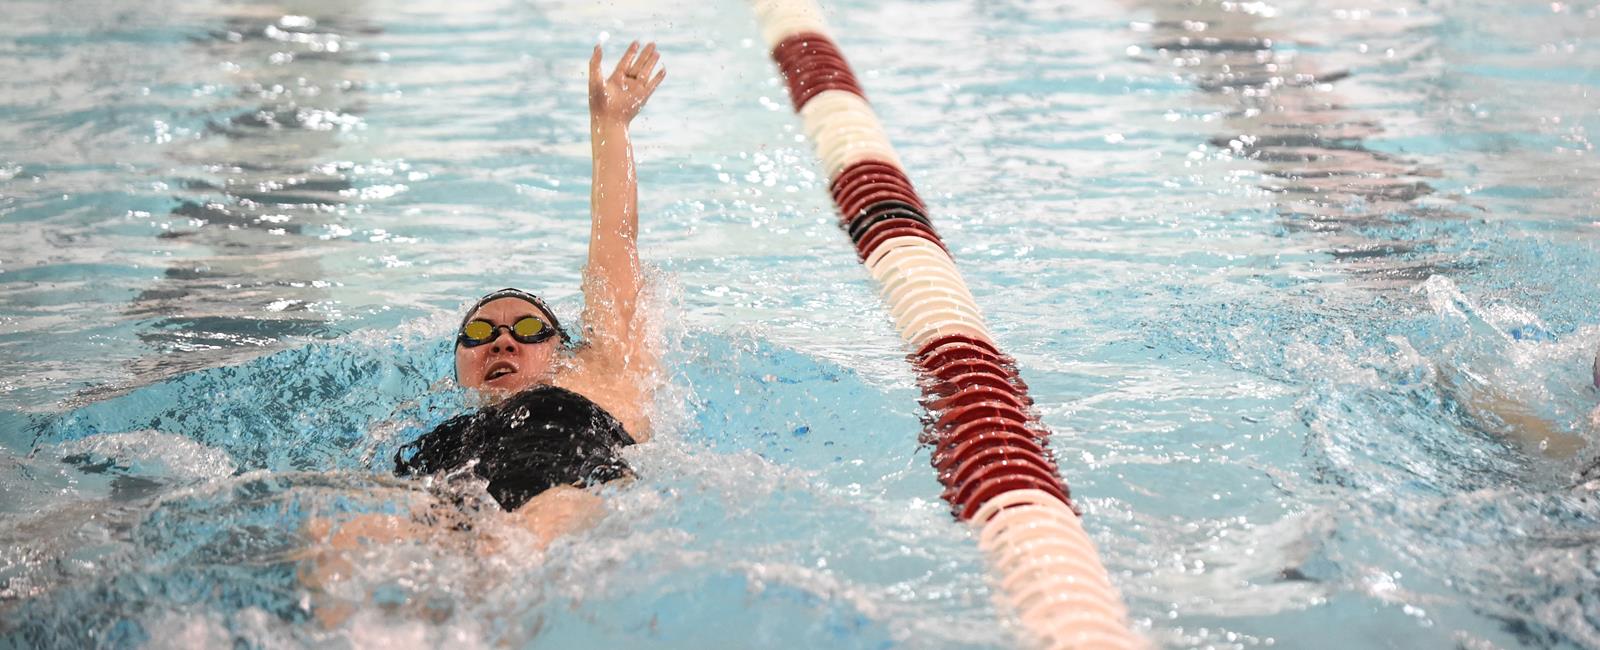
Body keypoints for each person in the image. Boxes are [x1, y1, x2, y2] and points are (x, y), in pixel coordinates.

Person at [304, 41, 668, 573]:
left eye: (527, 328)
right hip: (452, 509)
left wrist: (610, 126)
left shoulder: (602, 376)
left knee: (512, 543)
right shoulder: (439, 440)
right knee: (331, 543)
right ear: (458, 367)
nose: (502, 340)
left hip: (562, 499)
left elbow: (615, 244)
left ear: (568, 354)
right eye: (479, 333)